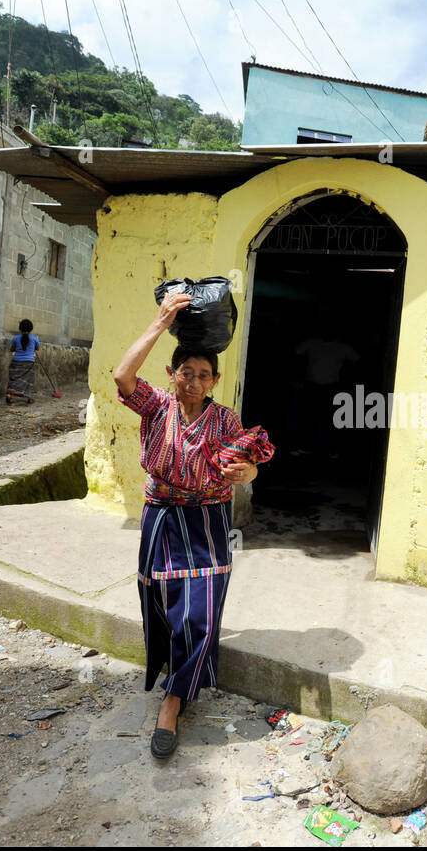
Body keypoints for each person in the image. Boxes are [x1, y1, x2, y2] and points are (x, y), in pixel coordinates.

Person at [114, 294, 276, 760]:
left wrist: (249, 474)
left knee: (200, 613)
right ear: (172, 374)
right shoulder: (156, 407)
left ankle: (173, 700)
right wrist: (160, 322)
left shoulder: (224, 418)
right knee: (162, 604)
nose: (194, 382)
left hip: (206, 521)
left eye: (204, 375)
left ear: (215, 381)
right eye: (187, 372)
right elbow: (123, 376)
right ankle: (172, 671)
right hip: (161, 517)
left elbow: (247, 463)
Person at [6, 319, 41, 404]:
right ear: (31, 329)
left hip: (16, 361)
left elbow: (12, 349)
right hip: (29, 362)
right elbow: (37, 348)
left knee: (14, 379)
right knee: (29, 380)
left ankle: (10, 395)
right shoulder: (35, 338)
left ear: (20, 328)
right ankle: (28, 397)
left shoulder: (15, 338)